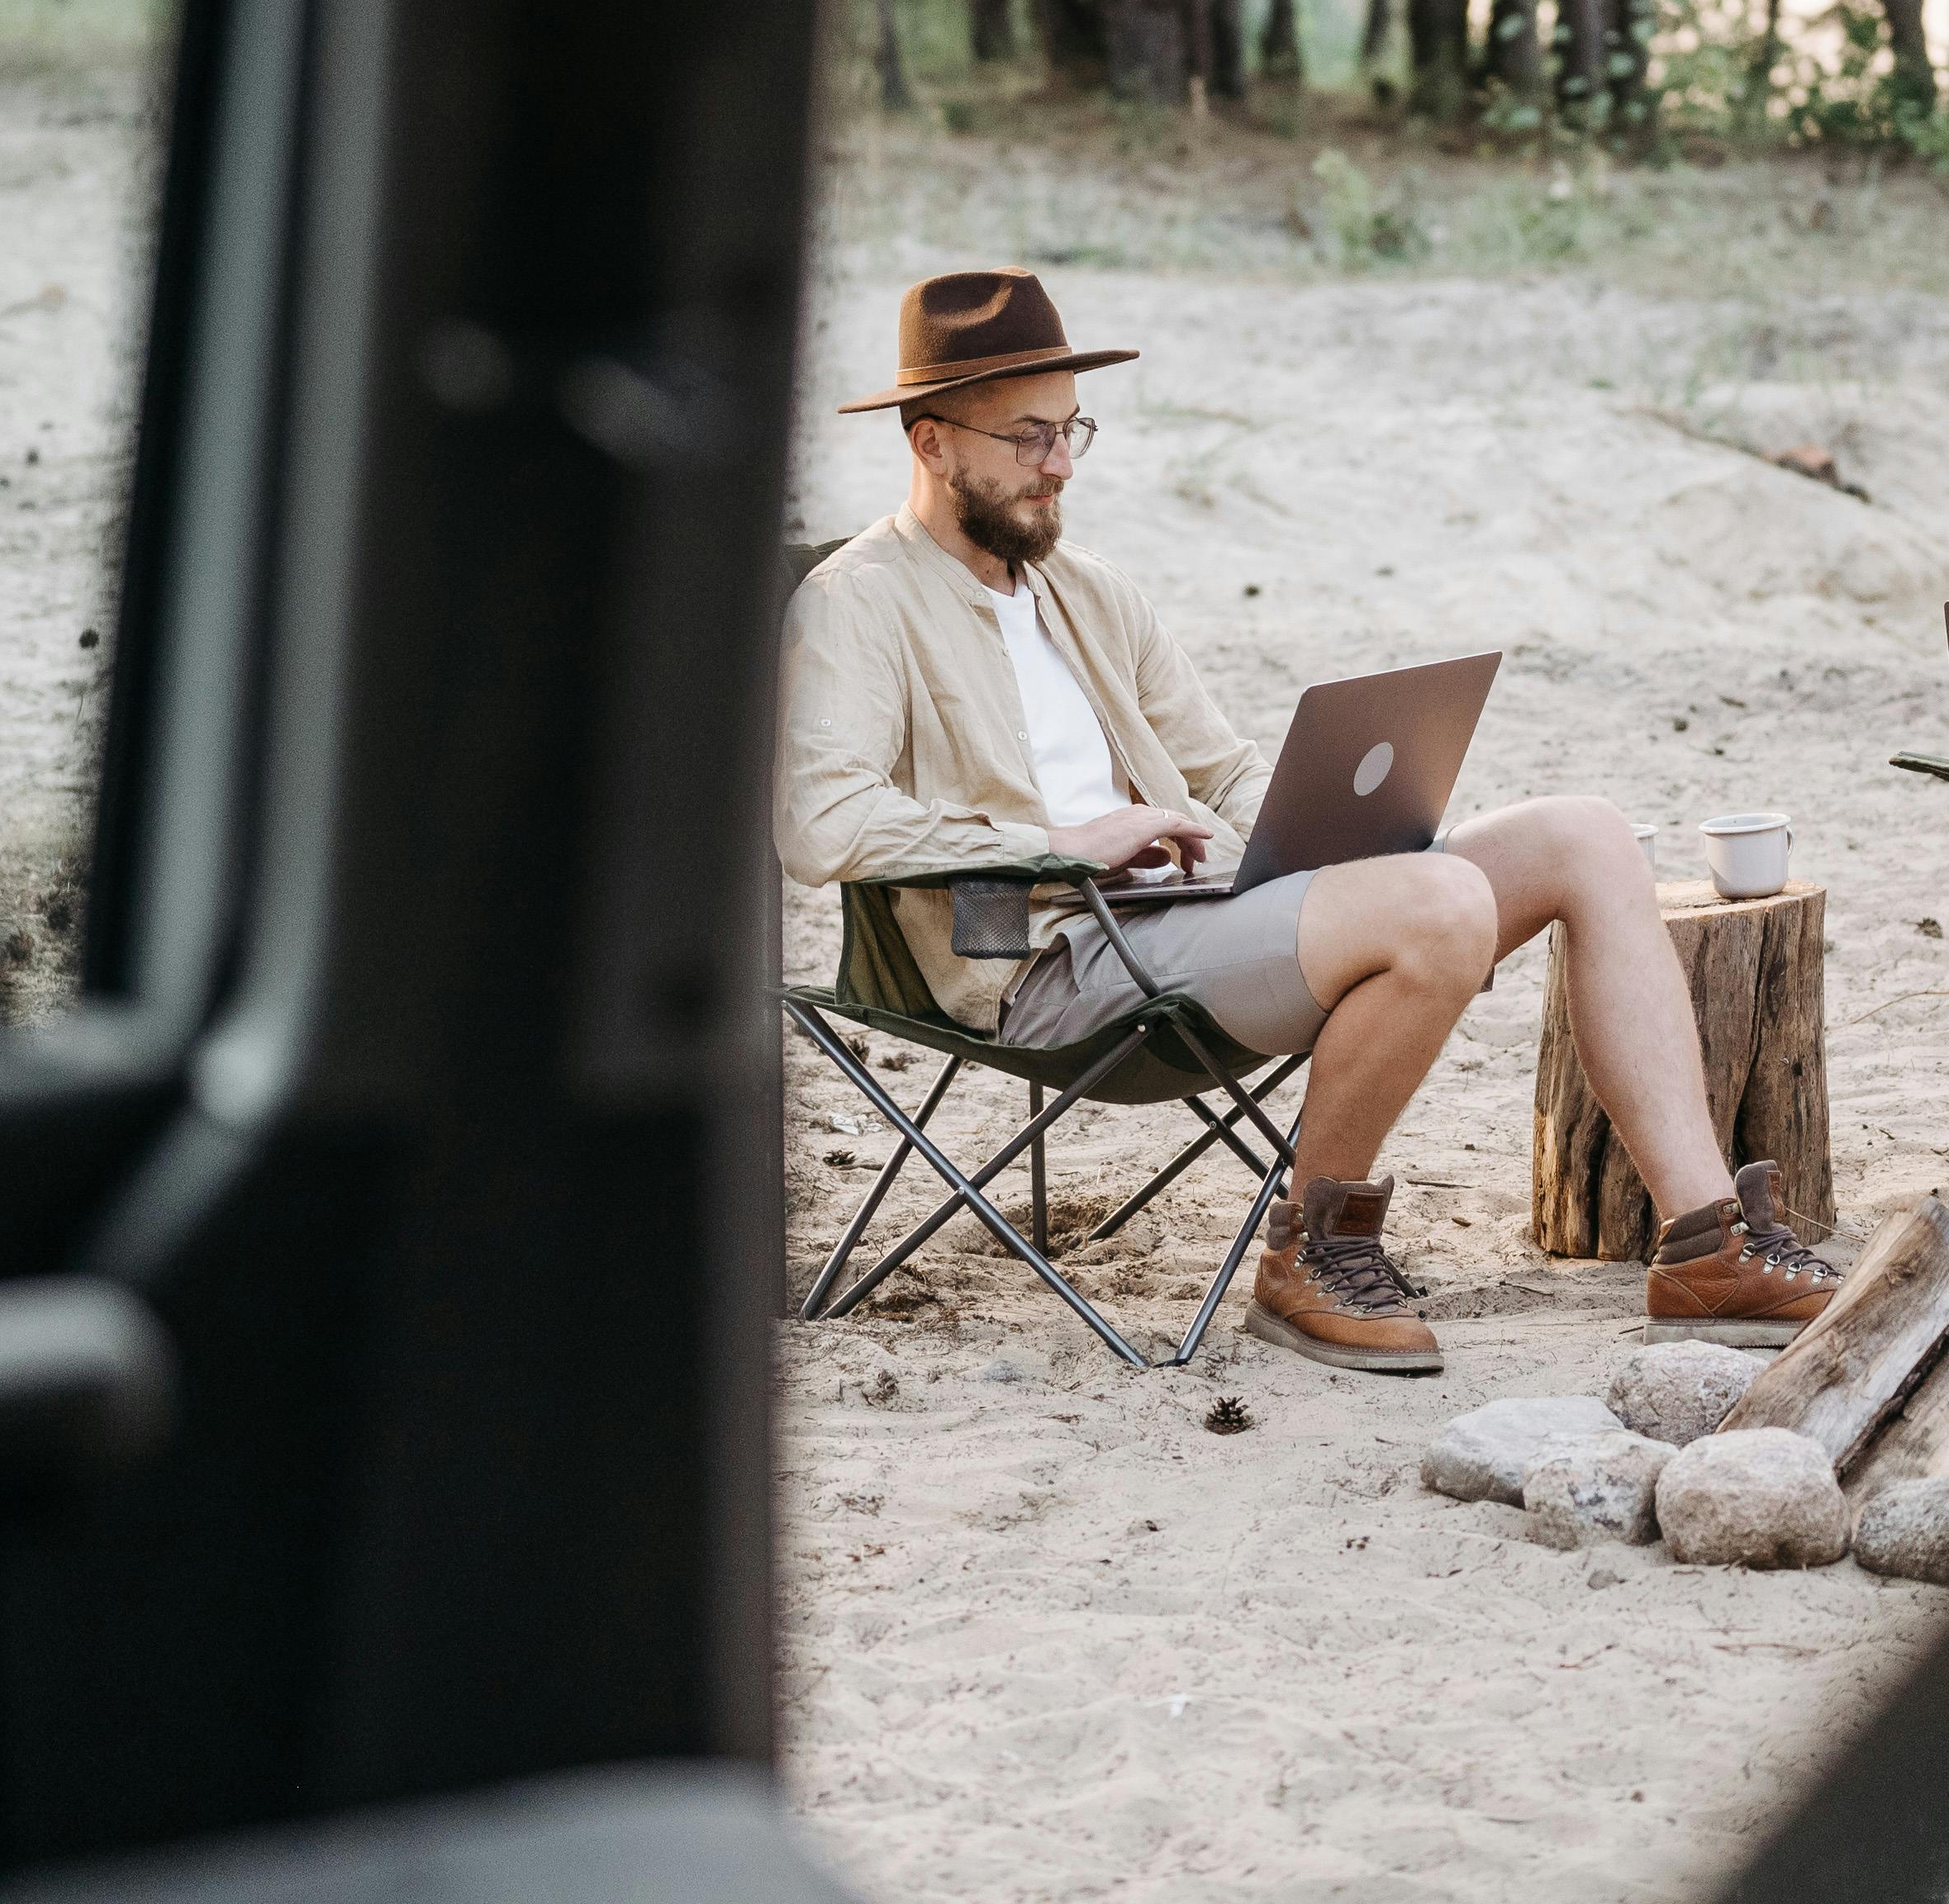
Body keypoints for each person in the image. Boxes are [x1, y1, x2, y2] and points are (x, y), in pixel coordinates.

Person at [777, 265, 1838, 1375]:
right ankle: (1310, 1257)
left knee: (1584, 835)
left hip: (1186, 922)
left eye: (1072, 431)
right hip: (1051, 963)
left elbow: (1227, 774)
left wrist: (1336, 833)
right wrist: (1057, 845)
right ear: (932, 441)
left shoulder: (1089, 590)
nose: (1059, 465)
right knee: (1434, 913)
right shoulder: (860, 601)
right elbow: (821, 825)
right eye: (1027, 437)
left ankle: (1705, 1243)